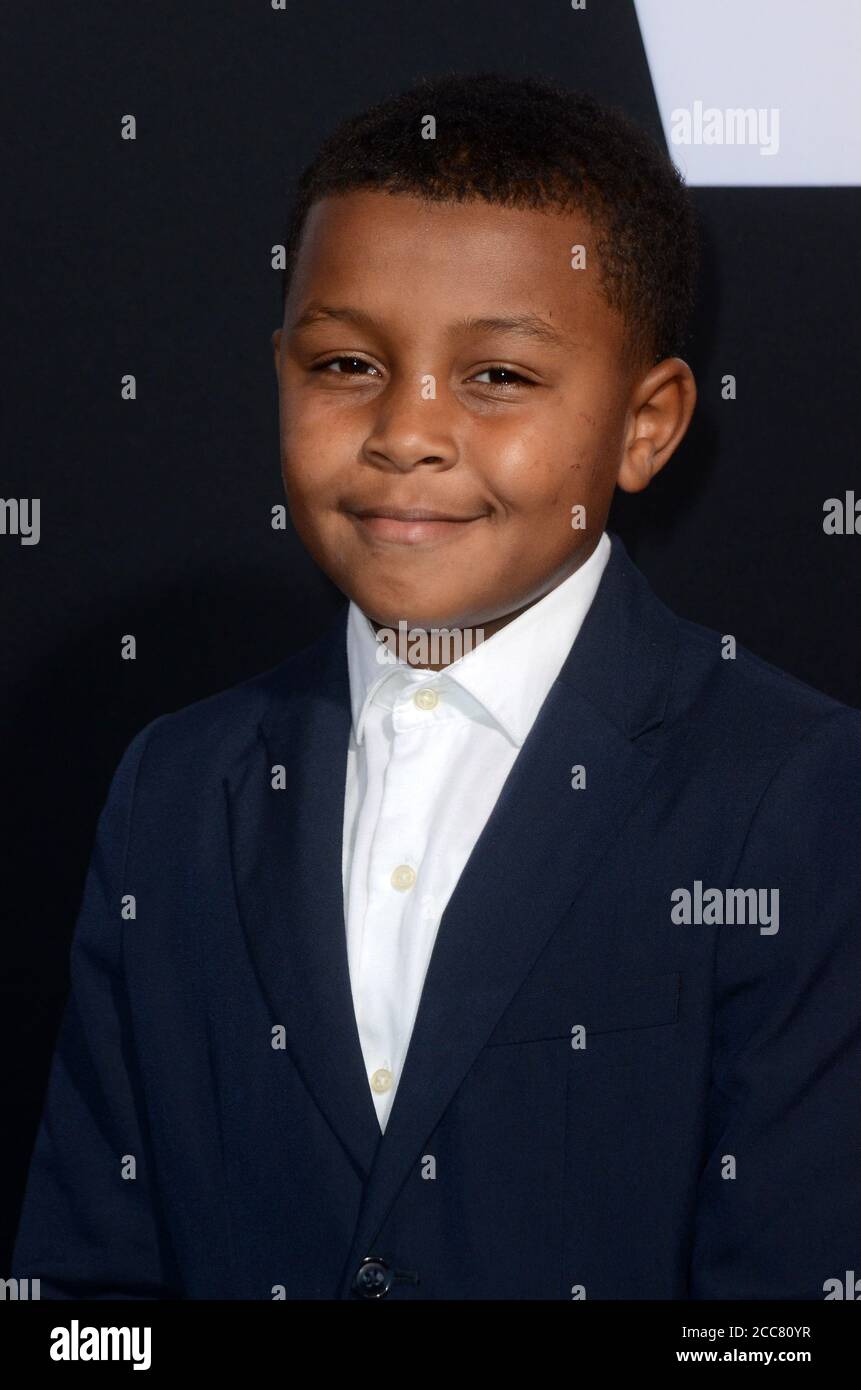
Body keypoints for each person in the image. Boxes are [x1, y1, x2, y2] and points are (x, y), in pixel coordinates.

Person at [12, 73, 861, 1300]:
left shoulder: (796, 792)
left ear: (648, 422)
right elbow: (88, 1289)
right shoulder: (177, 787)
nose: (406, 431)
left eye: (499, 377)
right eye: (348, 362)